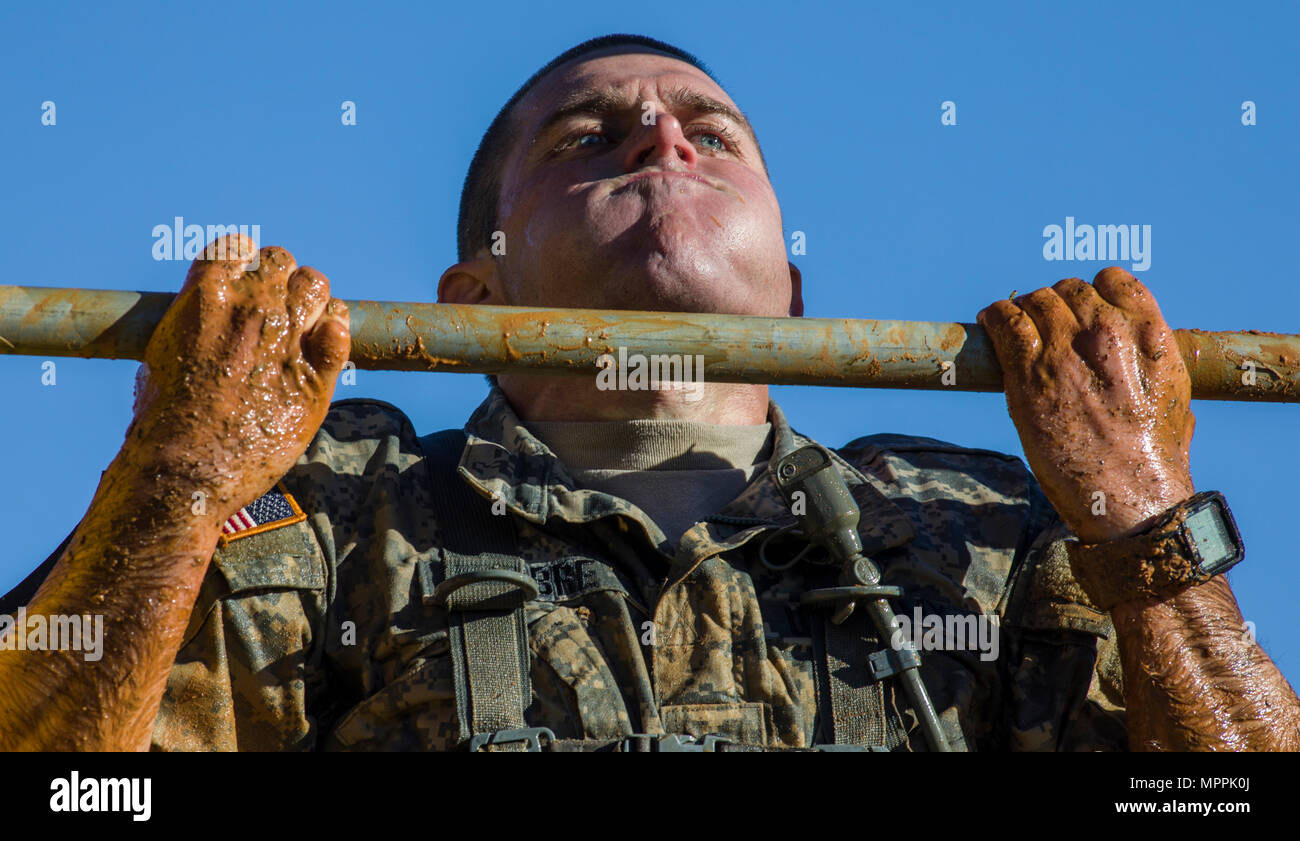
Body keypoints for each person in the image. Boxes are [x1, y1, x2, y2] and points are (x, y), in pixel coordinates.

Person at [2, 34, 1296, 752]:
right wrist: (174, 482)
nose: (661, 138)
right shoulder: (341, 506)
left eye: (709, 130)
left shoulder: (994, 535)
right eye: (588, 137)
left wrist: (1140, 509)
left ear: (793, 291)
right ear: (476, 301)